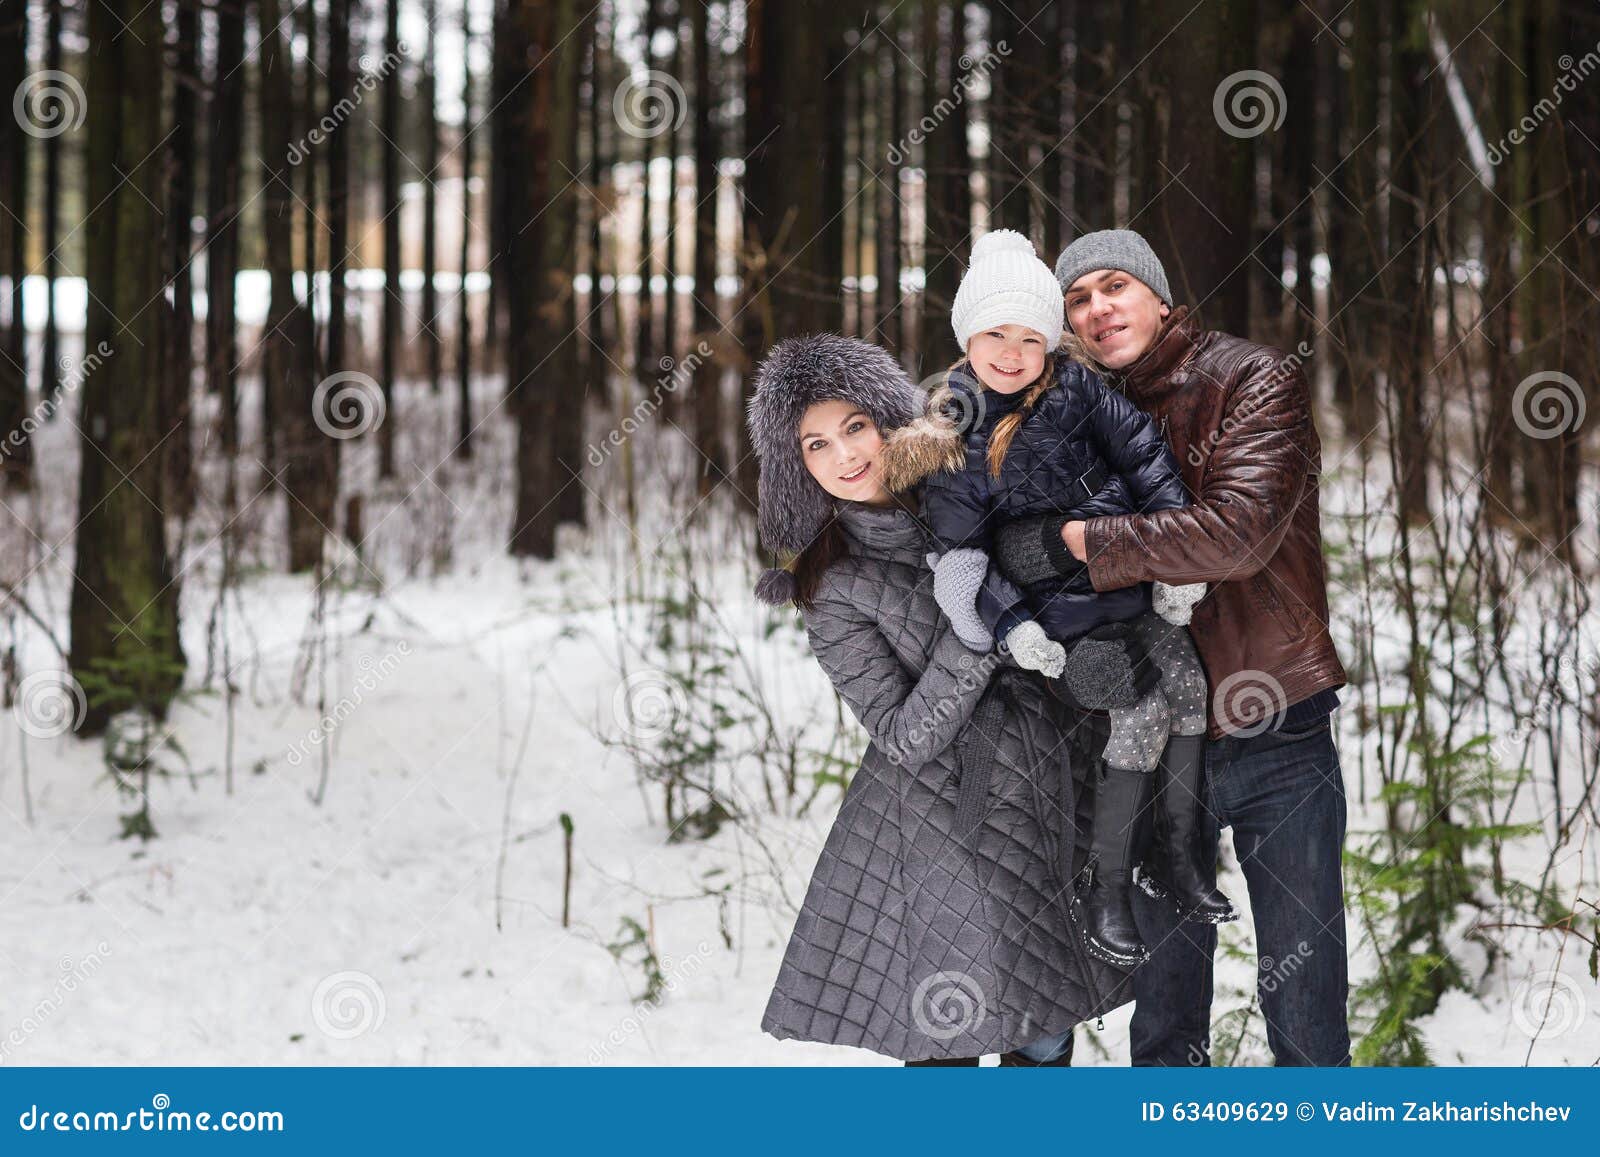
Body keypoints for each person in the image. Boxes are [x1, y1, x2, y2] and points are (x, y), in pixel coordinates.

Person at [995, 228, 1351, 1066]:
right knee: (1162, 1020)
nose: (1097, 308)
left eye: (1114, 286)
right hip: (1146, 743)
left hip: (1273, 721)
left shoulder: (1252, 378)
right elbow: (1009, 530)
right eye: (1077, 300)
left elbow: (1240, 532)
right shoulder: (1068, 407)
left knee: (1304, 1006)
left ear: (1159, 297)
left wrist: (1082, 538)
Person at [749, 332, 1130, 1066]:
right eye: (816, 446)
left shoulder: (970, 493)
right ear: (797, 469)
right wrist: (976, 622)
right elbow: (903, 734)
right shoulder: (832, 586)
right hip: (938, 818)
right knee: (949, 1027)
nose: (846, 456)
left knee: (1046, 1027)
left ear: (892, 419)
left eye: (855, 426)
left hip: (1048, 780)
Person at [876, 229, 1236, 974]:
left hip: (1132, 590)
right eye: (995, 334)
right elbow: (964, 552)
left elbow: (1142, 454)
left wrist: (1170, 554)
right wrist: (1011, 625)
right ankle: (1105, 887)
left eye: (1032, 337)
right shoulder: (951, 429)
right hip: (1060, 626)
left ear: (1053, 341)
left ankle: (1177, 852)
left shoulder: (1076, 387)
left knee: (1191, 687)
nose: (1013, 352)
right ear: (966, 335)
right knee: (1139, 710)